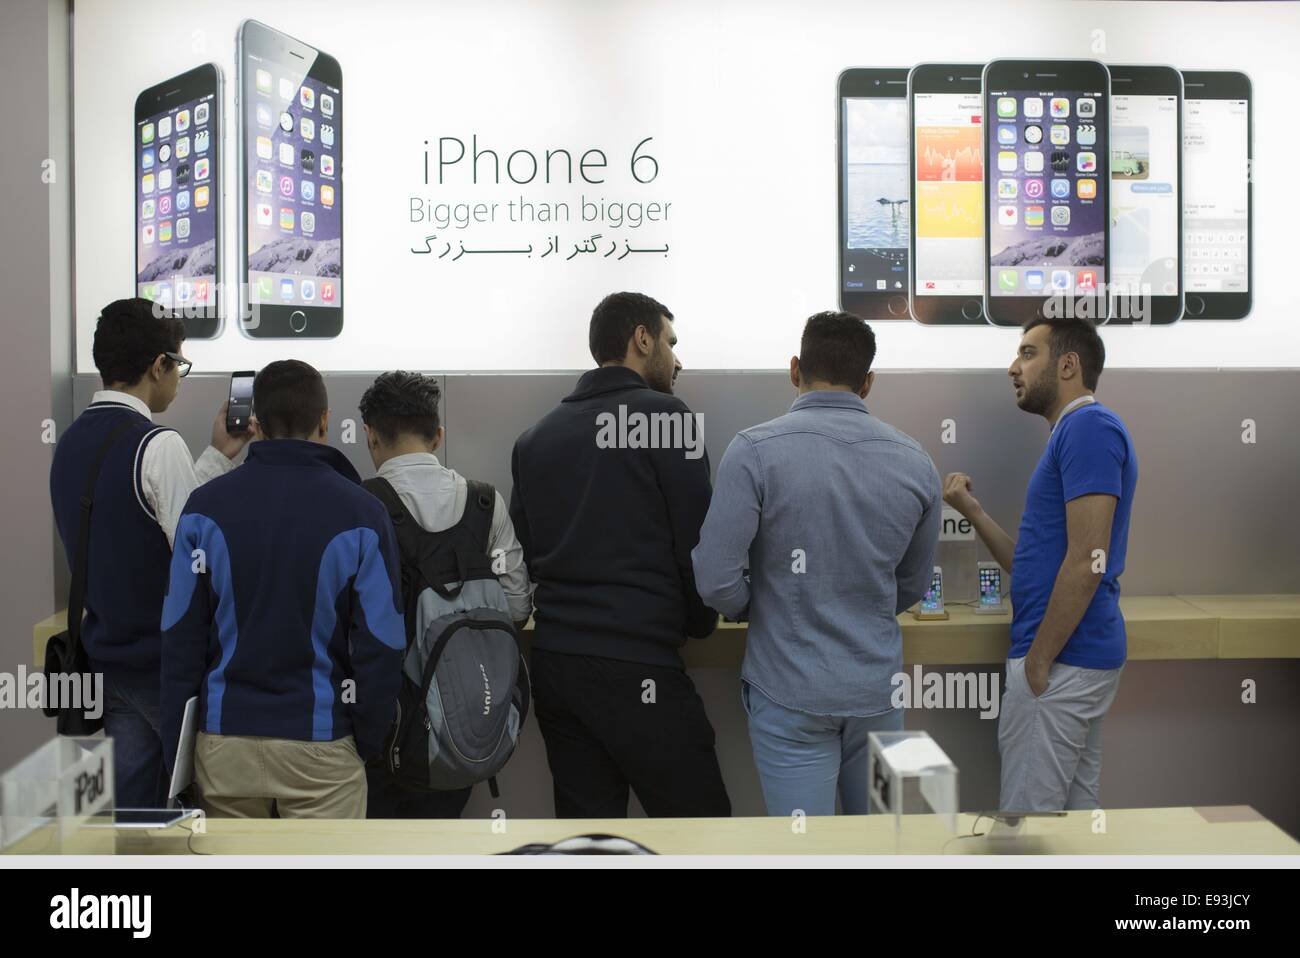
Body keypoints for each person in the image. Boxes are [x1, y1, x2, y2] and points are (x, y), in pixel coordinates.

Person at [692, 311, 941, 816]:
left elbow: (715, 580)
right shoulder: (916, 462)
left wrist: (761, 606)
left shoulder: (754, 451)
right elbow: (911, 587)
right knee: (877, 848)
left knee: (801, 851)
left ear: (794, 369)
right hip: (877, 692)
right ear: (868, 383)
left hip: (788, 690)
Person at [509, 291, 730, 818]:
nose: (678, 361)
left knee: (590, 841)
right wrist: (701, 622)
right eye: (671, 344)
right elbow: (696, 544)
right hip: (639, 666)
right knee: (701, 837)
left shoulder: (534, 438)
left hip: (558, 667)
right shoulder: (667, 418)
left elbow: (525, 551)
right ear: (642, 338)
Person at [160, 360, 405, 818]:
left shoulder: (204, 507)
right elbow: (384, 641)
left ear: (256, 424)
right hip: (322, 749)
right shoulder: (363, 513)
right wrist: (365, 740)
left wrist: (181, 753)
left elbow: (179, 640)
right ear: (326, 420)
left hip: (223, 747)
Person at [49, 298, 249, 808]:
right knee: (193, 814)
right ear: (157, 365)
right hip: (166, 673)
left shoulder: (69, 444)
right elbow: (195, 555)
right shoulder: (156, 444)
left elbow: (133, 523)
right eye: (178, 364)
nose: (178, 377)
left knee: (135, 819)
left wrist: (215, 455)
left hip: (107, 661)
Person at [943, 317, 1137, 812]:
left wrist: (1039, 659)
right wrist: (974, 512)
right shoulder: (1072, 433)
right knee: (1070, 827)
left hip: (1062, 664)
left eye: (1028, 353)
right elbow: (1033, 566)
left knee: (1029, 831)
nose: (1014, 367)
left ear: (1069, 365)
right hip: (1071, 661)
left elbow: (1088, 560)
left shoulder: (1088, 428)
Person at [357, 370, 533, 818]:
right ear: (437, 435)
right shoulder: (485, 503)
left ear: (371, 436)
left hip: (382, 724)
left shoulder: (360, 504)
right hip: (466, 723)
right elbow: (516, 606)